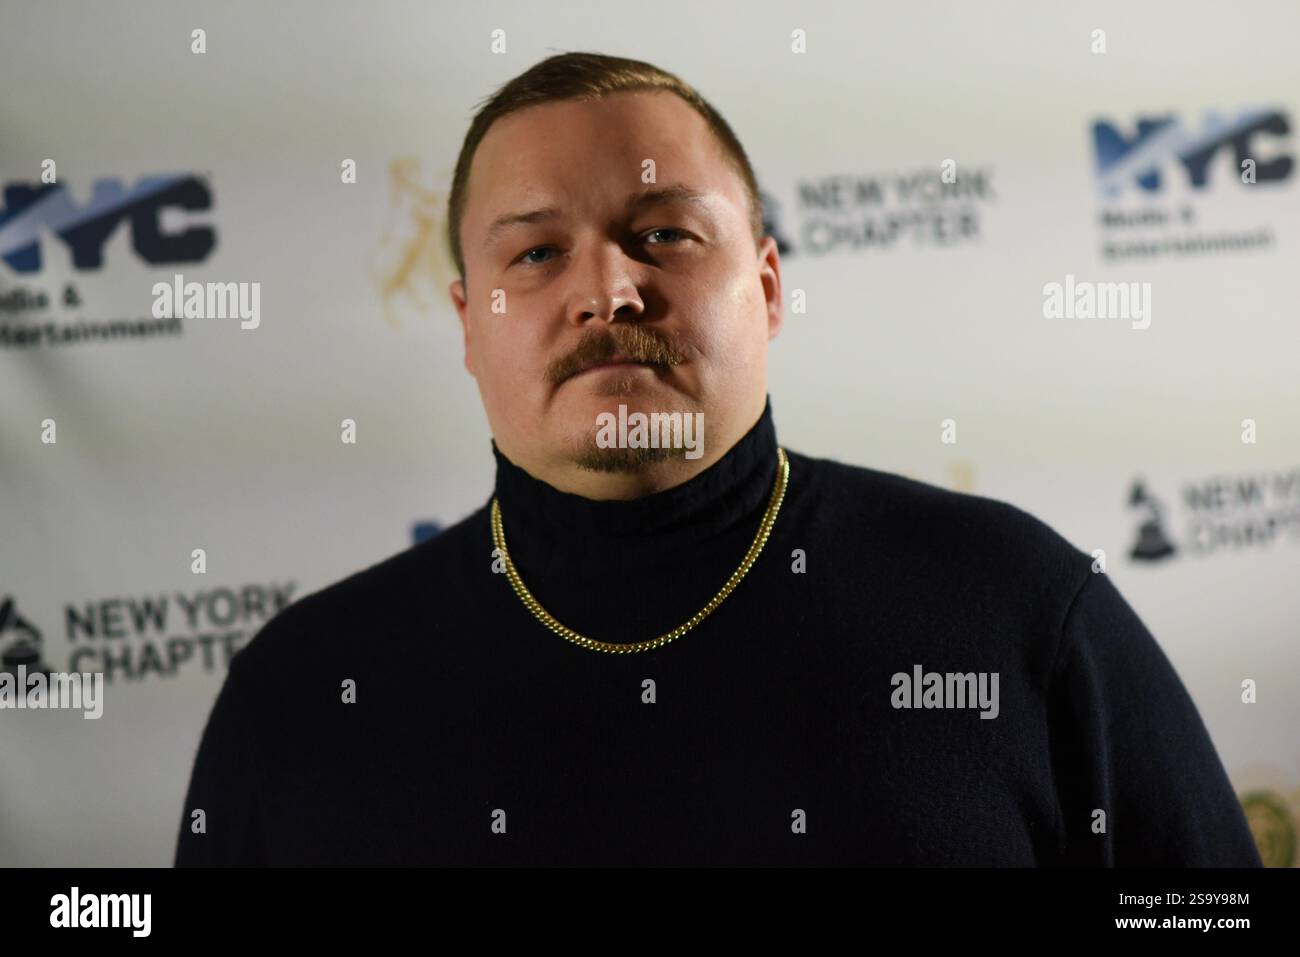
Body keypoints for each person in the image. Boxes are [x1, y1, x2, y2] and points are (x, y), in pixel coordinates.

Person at [175, 51, 1262, 866]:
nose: (607, 290)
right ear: (467, 320)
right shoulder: (306, 694)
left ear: (771, 287)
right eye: (538, 251)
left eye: (663, 234)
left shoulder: (1019, 609)